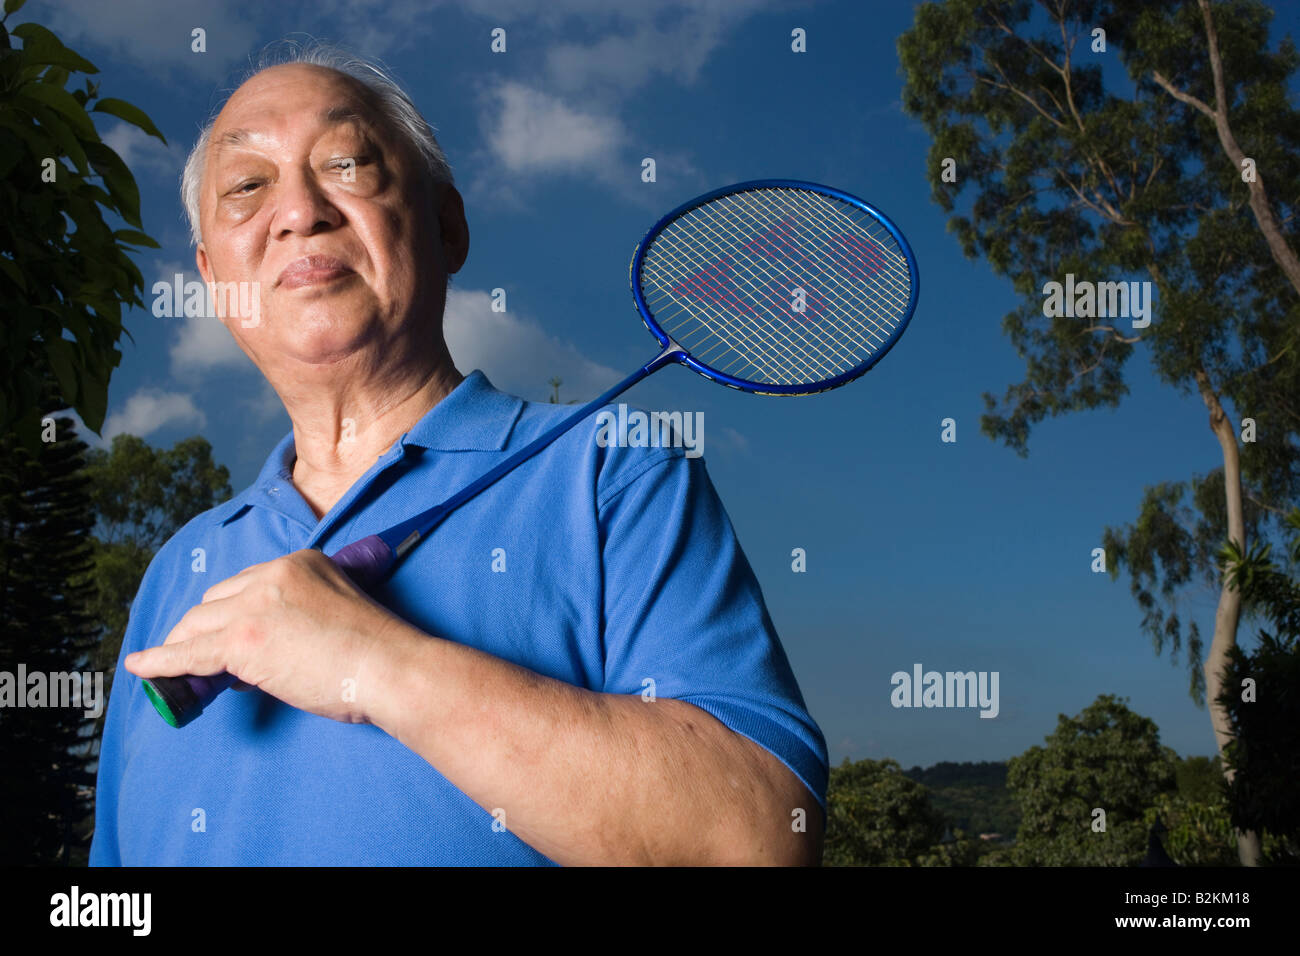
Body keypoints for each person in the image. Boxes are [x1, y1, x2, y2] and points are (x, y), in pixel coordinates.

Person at [89, 42, 827, 866]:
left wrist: (371, 659)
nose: (299, 210)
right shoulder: (176, 571)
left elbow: (761, 838)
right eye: (247, 187)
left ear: (448, 226)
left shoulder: (612, 472)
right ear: (210, 276)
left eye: (347, 163)